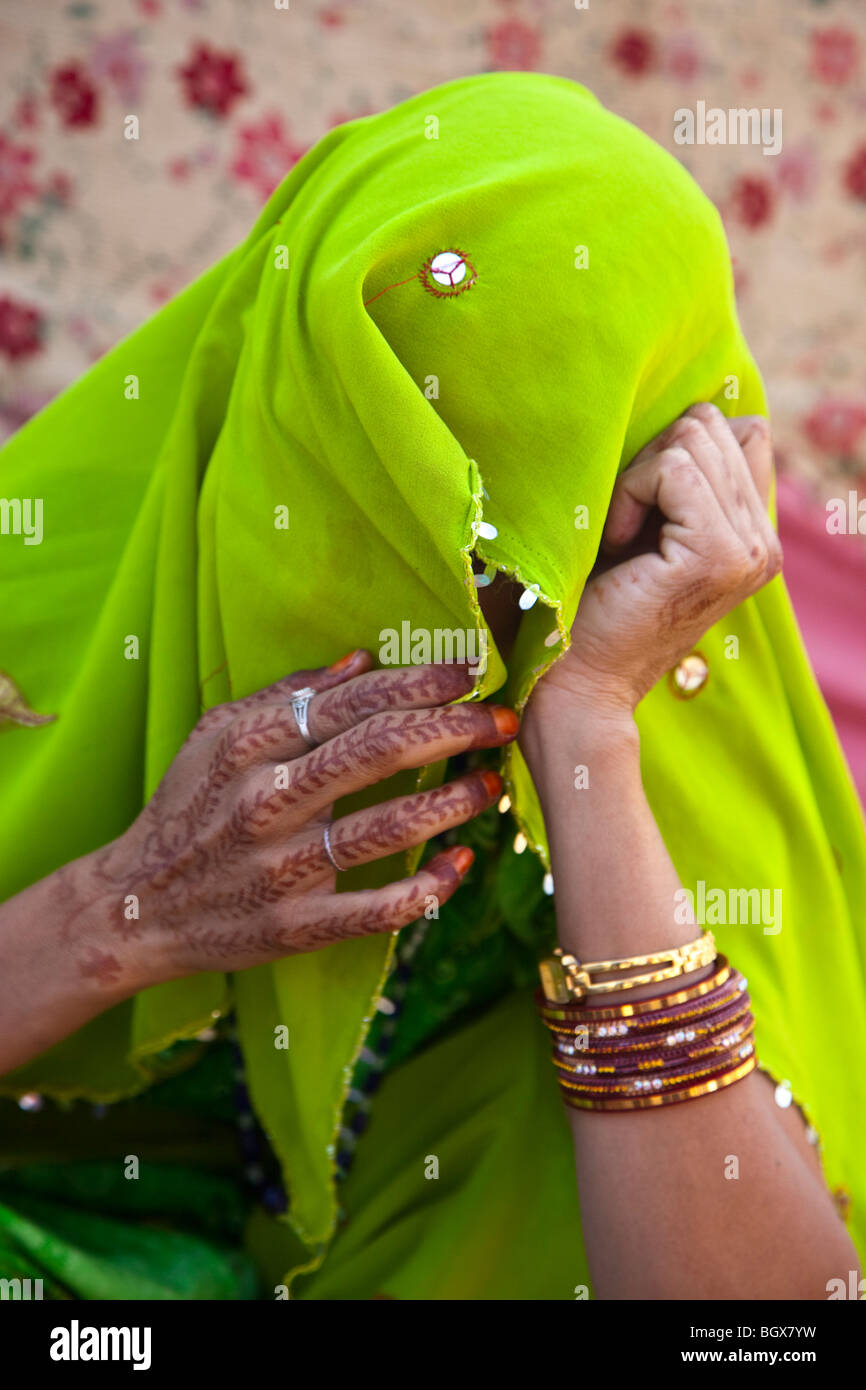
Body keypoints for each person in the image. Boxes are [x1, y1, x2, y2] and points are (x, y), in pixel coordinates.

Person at [0, 72, 863, 1301]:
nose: (455, 608)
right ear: (268, 412)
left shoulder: (657, 681)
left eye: (520, 538)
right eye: (372, 503)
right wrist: (116, 914)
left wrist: (587, 731)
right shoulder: (31, 616)